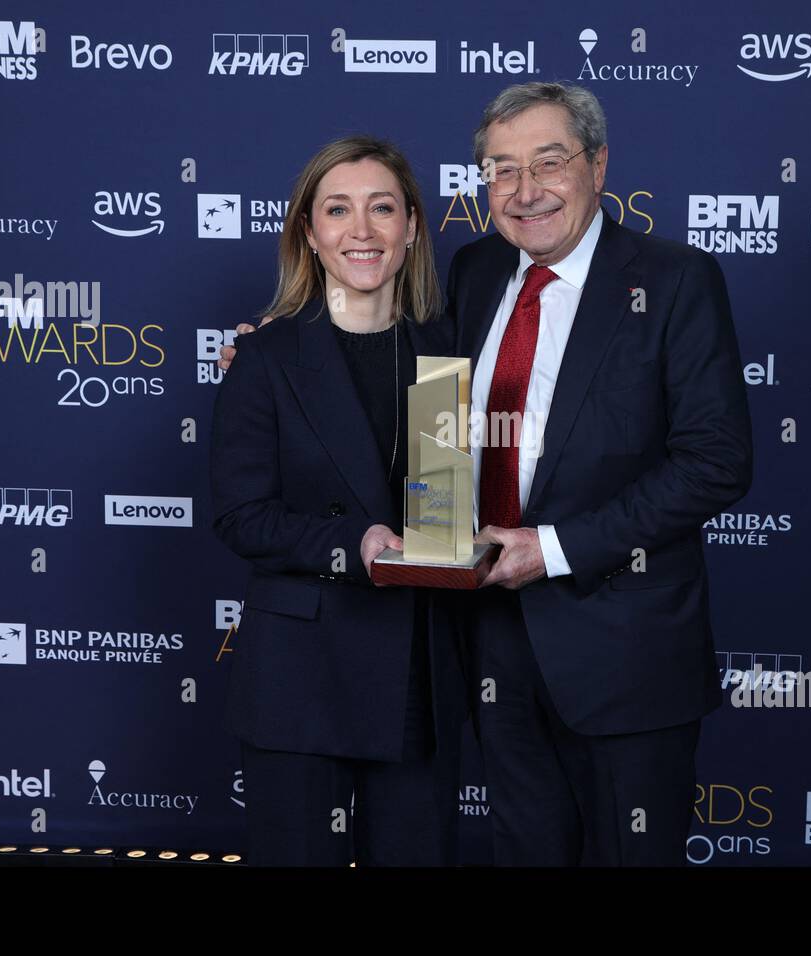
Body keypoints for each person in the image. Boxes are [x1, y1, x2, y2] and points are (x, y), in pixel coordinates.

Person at [221, 82, 752, 867]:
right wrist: (276, 352)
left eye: (548, 162)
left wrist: (555, 547)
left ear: (598, 165)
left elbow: (718, 462)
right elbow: (385, 381)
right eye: (501, 170)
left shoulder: (675, 282)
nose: (525, 190)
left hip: (621, 652)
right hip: (488, 647)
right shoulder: (472, 275)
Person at [209, 136, 463, 866]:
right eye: (338, 210)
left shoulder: (443, 355)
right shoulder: (265, 357)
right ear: (310, 235)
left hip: (417, 680)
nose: (362, 230)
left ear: (411, 227)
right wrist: (352, 545)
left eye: (382, 208)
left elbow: (443, 521)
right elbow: (239, 514)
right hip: (301, 681)